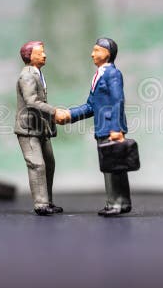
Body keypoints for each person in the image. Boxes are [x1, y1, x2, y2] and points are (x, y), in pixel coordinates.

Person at [55, 38, 131, 217]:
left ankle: (119, 203)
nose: (92, 54)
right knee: (109, 167)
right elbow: (91, 105)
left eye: (96, 50)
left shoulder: (112, 74)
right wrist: (70, 115)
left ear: (107, 53)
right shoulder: (99, 75)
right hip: (102, 128)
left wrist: (116, 128)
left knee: (115, 167)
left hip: (111, 129)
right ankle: (115, 201)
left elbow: (118, 101)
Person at [15, 41, 64, 216]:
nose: (44, 55)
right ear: (30, 56)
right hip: (28, 129)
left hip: (40, 127)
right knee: (37, 165)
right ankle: (41, 204)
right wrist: (54, 112)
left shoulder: (37, 73)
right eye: (40, 53)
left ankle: (48, 201)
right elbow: (31, 101)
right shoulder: (27, 75)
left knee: (49, 164)